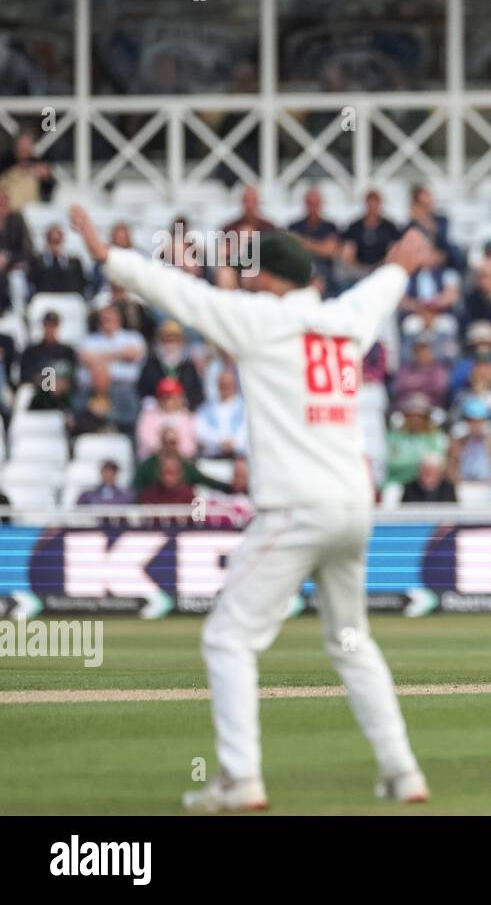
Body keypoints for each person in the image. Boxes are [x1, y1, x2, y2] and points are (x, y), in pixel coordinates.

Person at [70, 208, 432, 811]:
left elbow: (179, 295)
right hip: (353, 507)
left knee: (228, 637)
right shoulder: (346, 319)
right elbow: (385, 284)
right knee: (351, 642)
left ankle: (240, 779)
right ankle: (403, 773)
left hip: (297, 507)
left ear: (265, 279)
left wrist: (109, 258)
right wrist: (398, 263)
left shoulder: (260, 321)